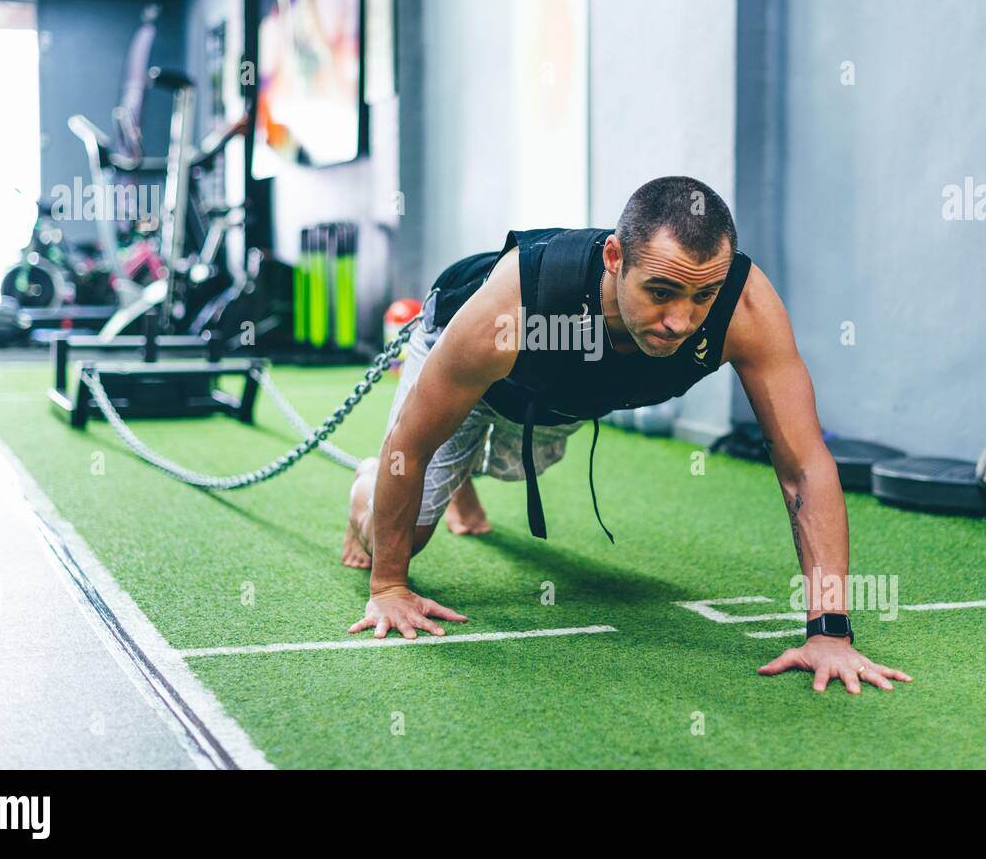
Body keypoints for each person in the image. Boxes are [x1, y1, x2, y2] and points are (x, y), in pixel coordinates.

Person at [343, 176, 912, 694]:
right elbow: (409, 445)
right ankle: (365, 492)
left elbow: (805, 466)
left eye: (701, 297)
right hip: (471, 362)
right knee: (405, 524)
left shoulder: (744, 305)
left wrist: (830, 631)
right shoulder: (520, 302)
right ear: (614, 258)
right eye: (661, 292)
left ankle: (463, 486)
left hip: (561, 395)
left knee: (524, 465)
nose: (681, 322)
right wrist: (389, 585)